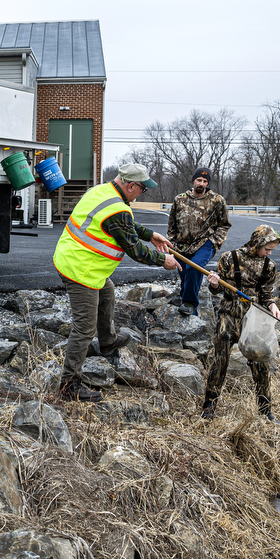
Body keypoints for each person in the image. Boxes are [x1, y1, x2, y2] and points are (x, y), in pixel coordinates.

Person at [53, 163, 182, 402]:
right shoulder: (119, 210)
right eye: (142, 189)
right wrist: (163, 260)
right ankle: (68, 386)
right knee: (84, 328)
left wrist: (151, 235)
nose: (142, 193)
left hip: (73, 258)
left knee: (108, 290)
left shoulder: (103, 191)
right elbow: (136, 251)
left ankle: (107, 341)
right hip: (81, 270)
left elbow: (125, 226)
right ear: (130, 185)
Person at [202, 225, 280, 421]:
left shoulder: (269, 266)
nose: (269, 253)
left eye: (272, 250)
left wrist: (272, 305)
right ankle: (209, 407)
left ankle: (265, 410)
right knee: (220, 359)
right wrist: (214, 283)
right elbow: (215, 290)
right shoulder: (229, 258)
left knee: (260, 362)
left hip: (254, 317)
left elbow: (266, 294)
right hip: (229, 313)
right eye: (267, 249)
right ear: (257, 243)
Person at [167, 166, 231, 316]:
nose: (201, 183)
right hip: (181, 245)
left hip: (205, 244)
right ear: (193, 181)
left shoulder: (217, 200)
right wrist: (170, 243)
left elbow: (224, 224)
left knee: (194, 268)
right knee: (185, 275)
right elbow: (172, 224)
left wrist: (214, 242)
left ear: (207, 183)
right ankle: (191, 315)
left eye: (204, 181)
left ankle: (190, 303)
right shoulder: (180, 199)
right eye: (199, 180)